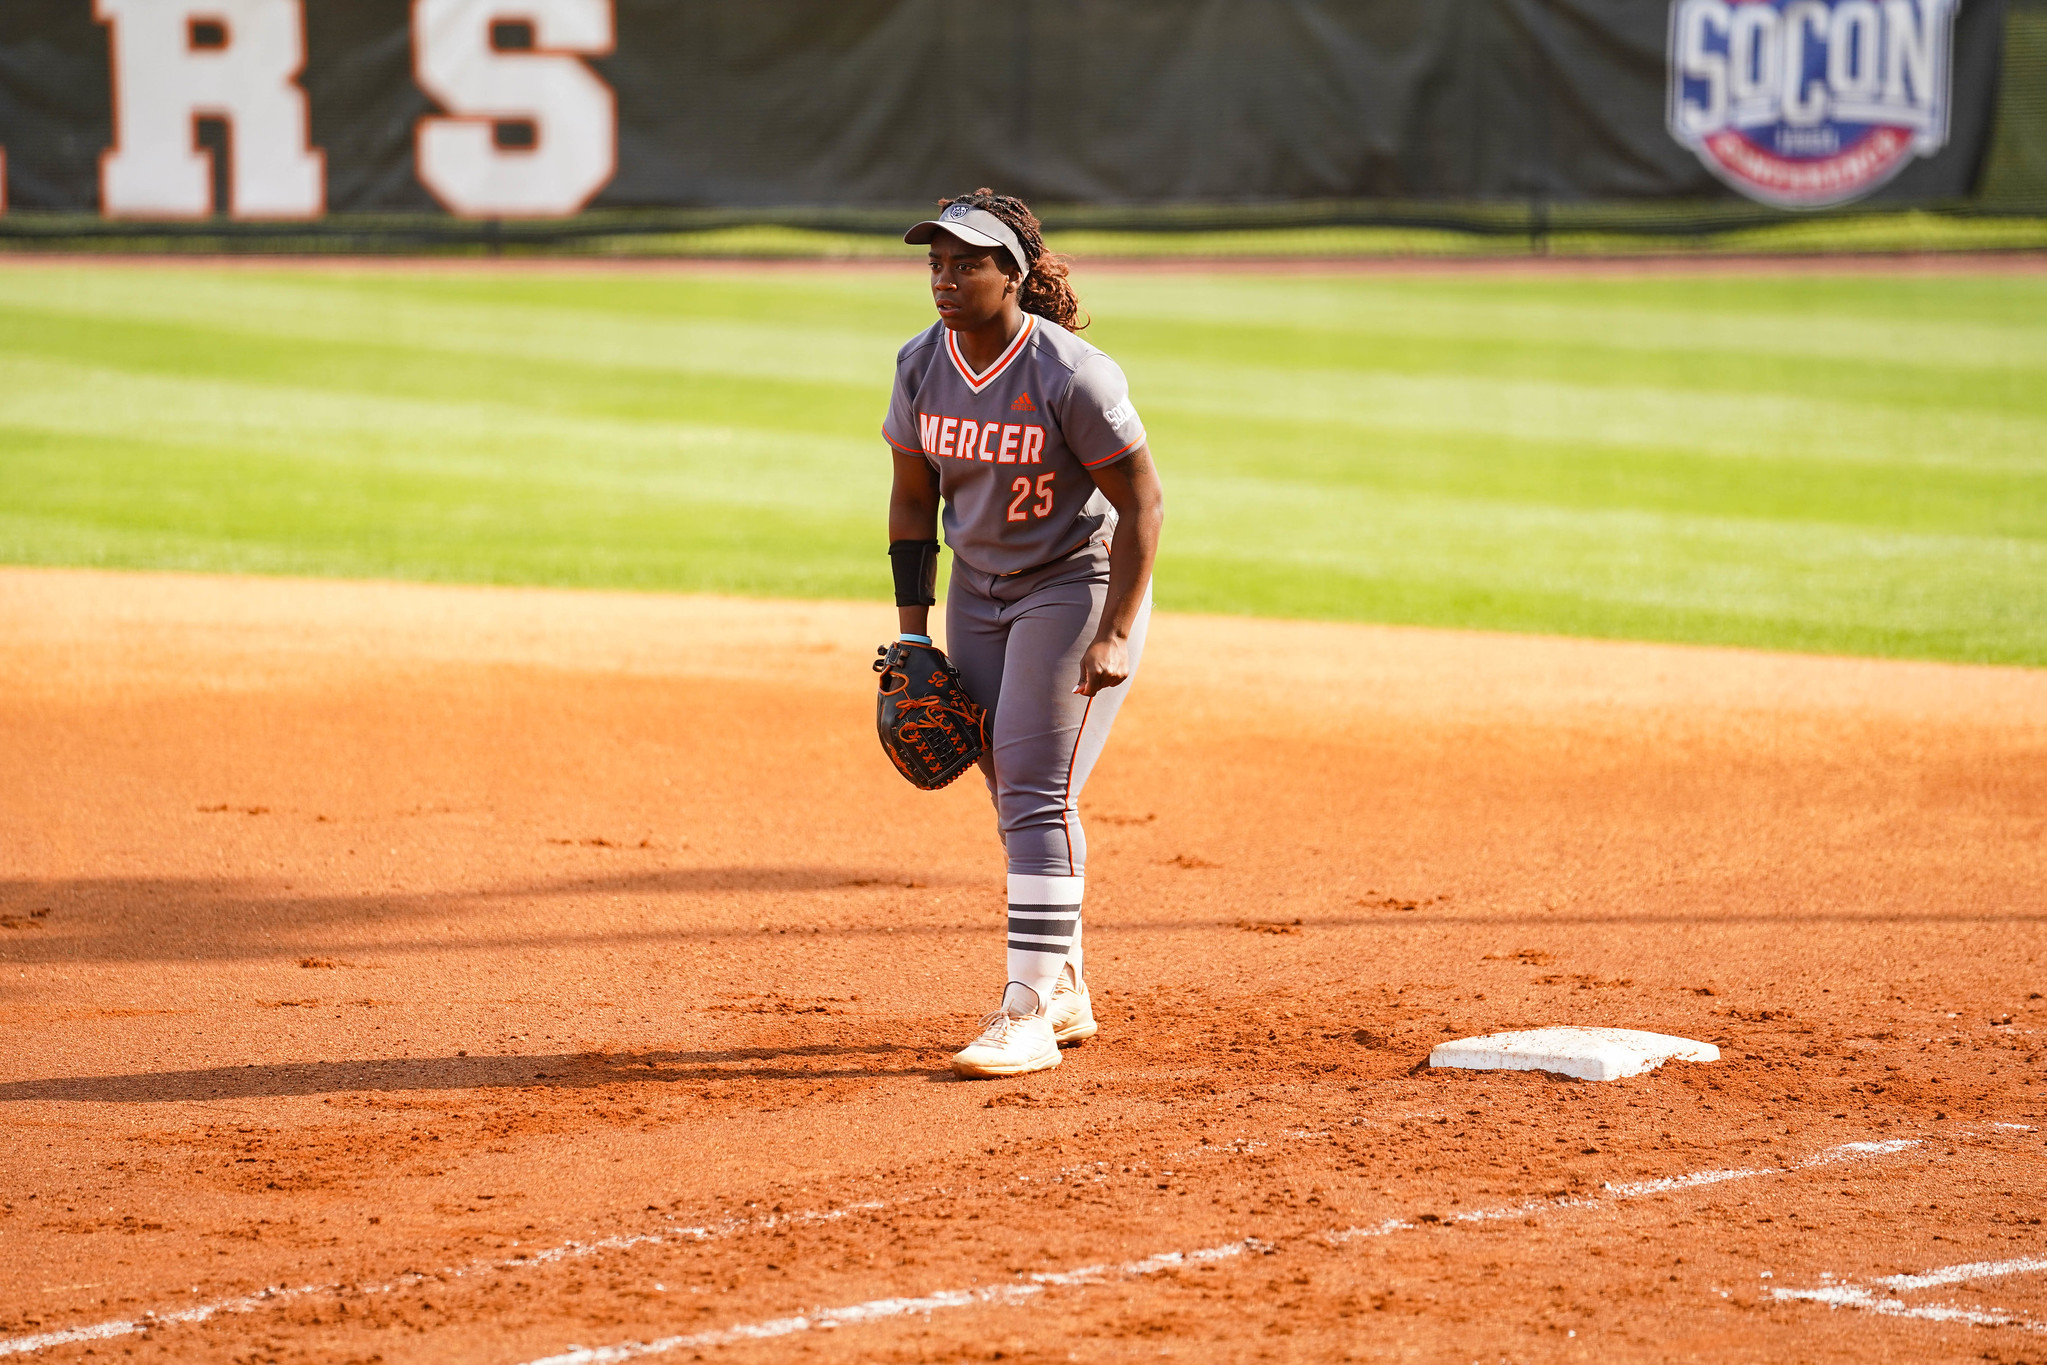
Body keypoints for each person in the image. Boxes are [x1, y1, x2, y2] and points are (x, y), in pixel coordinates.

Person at [881, 190, 1165, 1078]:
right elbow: (912, 499)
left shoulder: (1072, 374)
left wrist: (1116, 631)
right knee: (1009, 783)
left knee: (1036, 788)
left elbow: (1142, 502)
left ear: (1014, 274)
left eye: (967, 262)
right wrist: (913, 635)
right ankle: (1066, 982)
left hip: (1071, 584)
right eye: (936, 262)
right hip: (976, 589)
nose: (946, 277)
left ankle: (1028, 1008)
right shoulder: (920, 363)